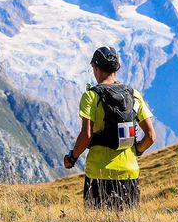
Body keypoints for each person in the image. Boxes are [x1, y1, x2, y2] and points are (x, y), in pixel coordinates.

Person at [63, 46, 156, 209]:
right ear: (117, 67)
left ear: (96, 67)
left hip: (99, 173)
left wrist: (72, 158)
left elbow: (86, 135)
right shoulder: (134, 94)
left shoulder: (91, 96)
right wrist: (137, 151)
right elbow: (150, 137)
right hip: (129, 173)